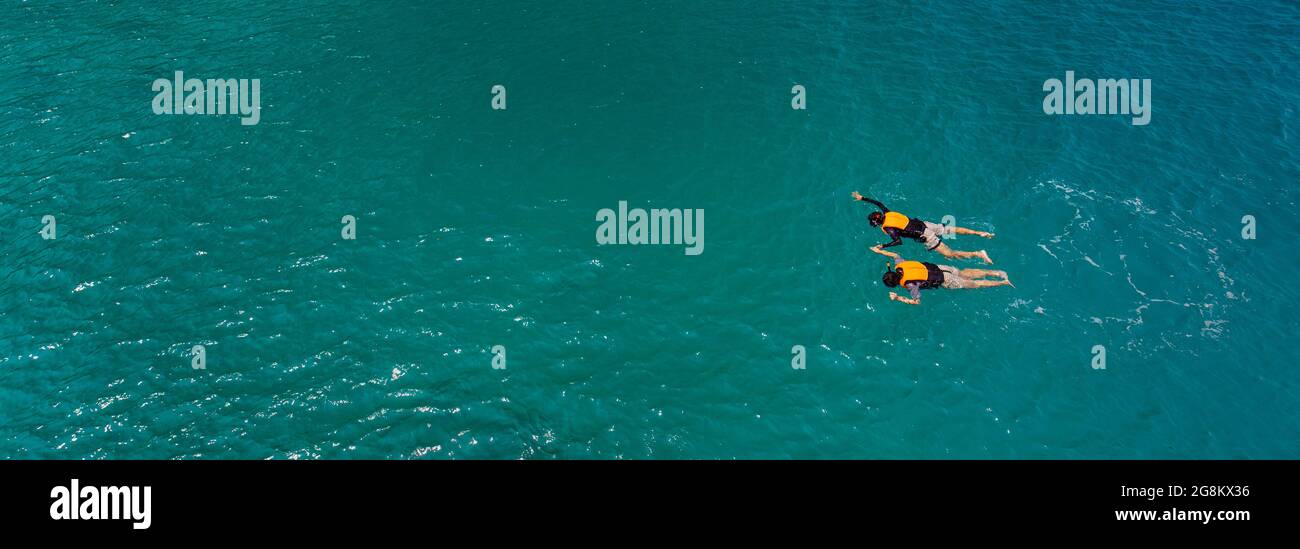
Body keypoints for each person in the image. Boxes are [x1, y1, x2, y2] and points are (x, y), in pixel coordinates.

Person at [852, 191, 994, 264]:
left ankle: (978, 253)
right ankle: (980, 233)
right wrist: (862, 198)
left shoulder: (889, 228)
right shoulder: (888, 213)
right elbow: (878, 203)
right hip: (925, 224)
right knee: (950, 229)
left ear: (878, 223)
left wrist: (883, 246)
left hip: (926, 236)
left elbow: (898, 242)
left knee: (949, 254)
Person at [870, 245, 1011, 305]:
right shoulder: (900, 265)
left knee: (975, 284)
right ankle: (995, 272)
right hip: (942, 268)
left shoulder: (909, 284)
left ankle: (1003, 282)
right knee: (962, 273)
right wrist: (880, 251)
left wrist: (898, 298)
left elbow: (916, 302)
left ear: (895, 284)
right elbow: (895, 254)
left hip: (945, 280)